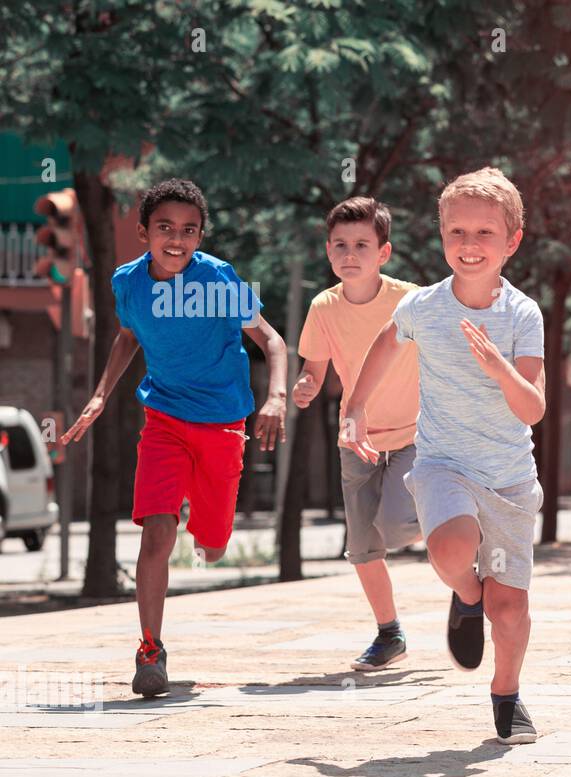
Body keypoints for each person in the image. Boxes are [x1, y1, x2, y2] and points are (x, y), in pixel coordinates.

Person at [342, 168, 546, 745]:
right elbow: (388, 340)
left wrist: (499, 369)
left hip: (508, 478)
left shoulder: (522, 315)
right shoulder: (425, 307)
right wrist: (356, 405)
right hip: (442, 462)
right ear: (441, 237)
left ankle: (506, 693)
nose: (469, 244)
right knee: (450, 547)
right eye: (457, 231)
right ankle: (465, 593)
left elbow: (532, 409)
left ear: (512, 241)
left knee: (509, 611)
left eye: (485, 233)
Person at [62, 178, 287, 697]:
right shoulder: (127, 282)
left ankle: (202, 517)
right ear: (143, 232)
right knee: (156, 532)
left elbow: (273, 342)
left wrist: (274, 398)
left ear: (201, 236)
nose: (177, 239)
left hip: (224, 425)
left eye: (189, 230)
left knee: (212, 543)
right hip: (163, 418)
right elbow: (127, 334)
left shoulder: (220, 281)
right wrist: (100, 394)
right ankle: (150, 649)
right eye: (165, 227)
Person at [293, 196, 422, 671]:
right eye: (340, 245)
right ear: (328, 252)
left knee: (394, 526)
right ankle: (390, 634)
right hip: (356, 436)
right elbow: (315, 368)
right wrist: (306, 386)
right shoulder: (323, 306)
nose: (350, 254)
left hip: (415, 433)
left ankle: (458, 527)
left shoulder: (411, 300)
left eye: (362, 245)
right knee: (363, 546)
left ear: (383, 253)